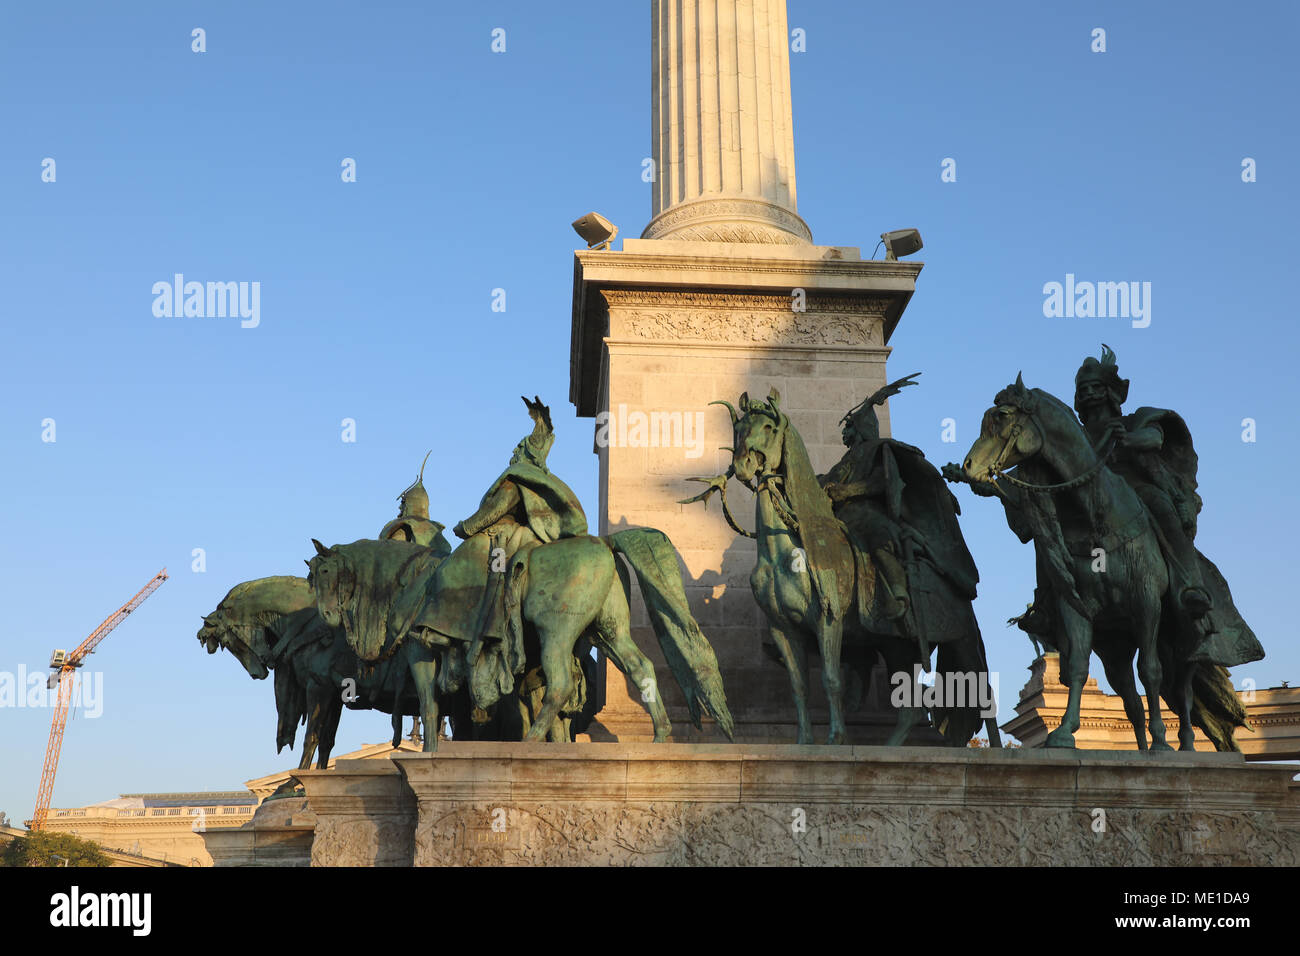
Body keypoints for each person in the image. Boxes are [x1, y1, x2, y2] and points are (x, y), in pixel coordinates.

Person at [1073, 345, 1211, 617]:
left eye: (1096, 387)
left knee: (1161, 506)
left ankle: (1190, 585)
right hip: (1088, 497)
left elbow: (1154, 437)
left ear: (1110, 392)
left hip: (1134, 489)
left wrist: (1128, 438)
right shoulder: (1076, 434)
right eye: (1084, 389)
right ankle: (1046, 600)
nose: (1089, 393)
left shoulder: (1133, 419)